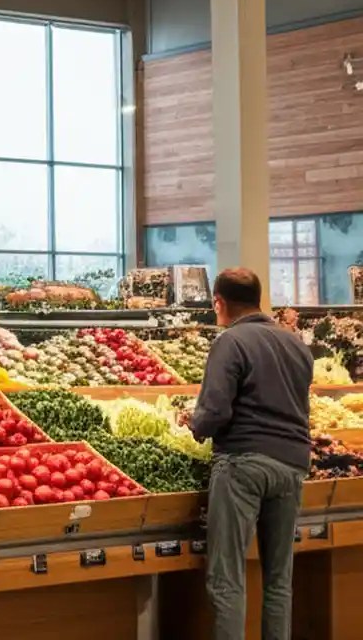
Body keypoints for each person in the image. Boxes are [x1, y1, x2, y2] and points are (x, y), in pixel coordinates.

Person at [191, 268, 313, 640]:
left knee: (227, 579)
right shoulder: (296, 345)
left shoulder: (231, 341)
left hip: (244, 462)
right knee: (279, 579)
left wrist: (194, 425)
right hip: (292, 465)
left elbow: (215, 412)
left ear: (219, 303)